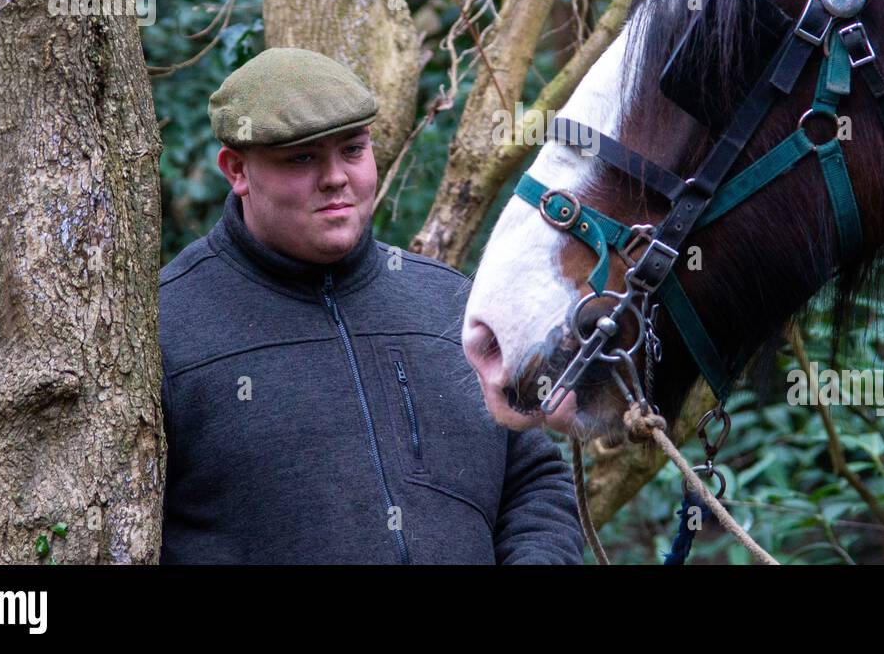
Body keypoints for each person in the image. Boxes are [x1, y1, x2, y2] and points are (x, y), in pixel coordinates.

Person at [158, 47, 582, 563]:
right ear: (237, 170)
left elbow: (535, 480)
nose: (335, 177)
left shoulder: (453, 307)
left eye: (353, 151)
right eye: (302, 157)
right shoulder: (166, 328)